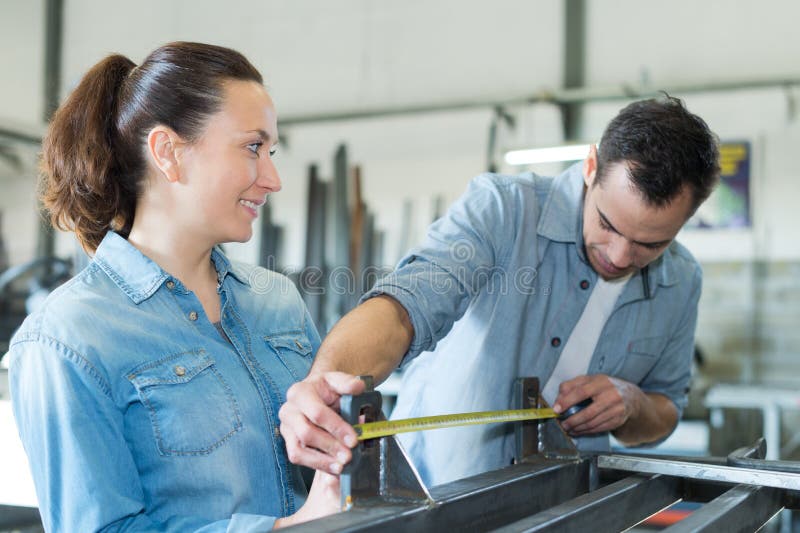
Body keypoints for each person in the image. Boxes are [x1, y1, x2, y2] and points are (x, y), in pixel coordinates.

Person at [278, 96, 720, 487]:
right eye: (607, 224)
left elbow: (666, 407)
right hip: (437, 490)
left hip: (565, 503)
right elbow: (404, 309)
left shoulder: (681, 282)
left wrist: (633, 405)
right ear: (590, 167)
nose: (621, 256)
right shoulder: (503, 211)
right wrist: (326, 382)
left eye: (651, 244)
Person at [8, 42, 340, 531]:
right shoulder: (67, 340)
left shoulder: (278, 301)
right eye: (253, 147)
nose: (272, 179)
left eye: (272, 152)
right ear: (168, 153)